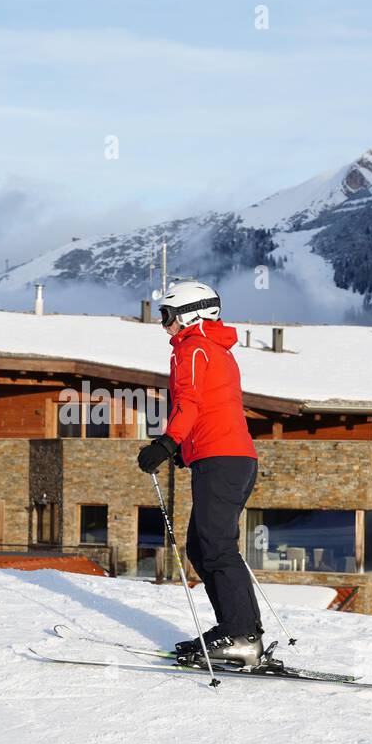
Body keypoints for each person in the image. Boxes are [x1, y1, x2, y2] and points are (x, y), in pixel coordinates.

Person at [136, 280, 266, 667]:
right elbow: (213, 406)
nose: (164, 325)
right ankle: (238, 629)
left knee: (216, 546)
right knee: (202, 546)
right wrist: (186, 449)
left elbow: (190, 402)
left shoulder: (191, 349)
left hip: (222, 459)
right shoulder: (213, 349)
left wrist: (168, 443)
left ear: (190, 314)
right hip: (228, 458)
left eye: (167, 315)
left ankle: (241, 634)